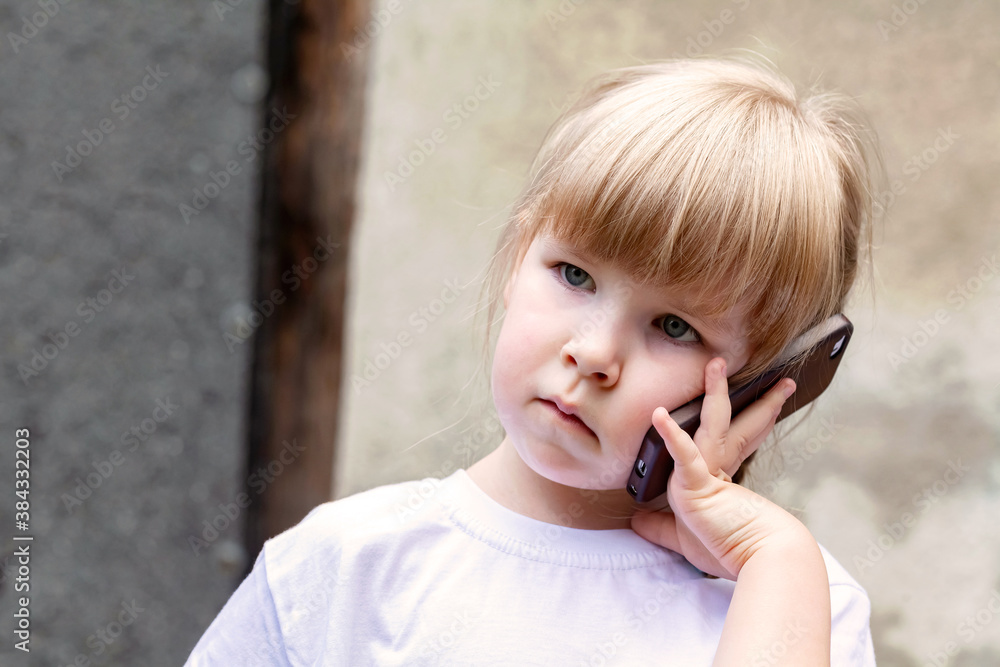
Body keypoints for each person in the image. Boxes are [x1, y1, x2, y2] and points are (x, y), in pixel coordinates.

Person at [185, 56, 881, 665]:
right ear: (520, 259)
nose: (594, 351)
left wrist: (778, 559)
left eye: (674, 325)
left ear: (760, 386)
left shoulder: (792, 606)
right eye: (574, 275)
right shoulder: (343, 567)